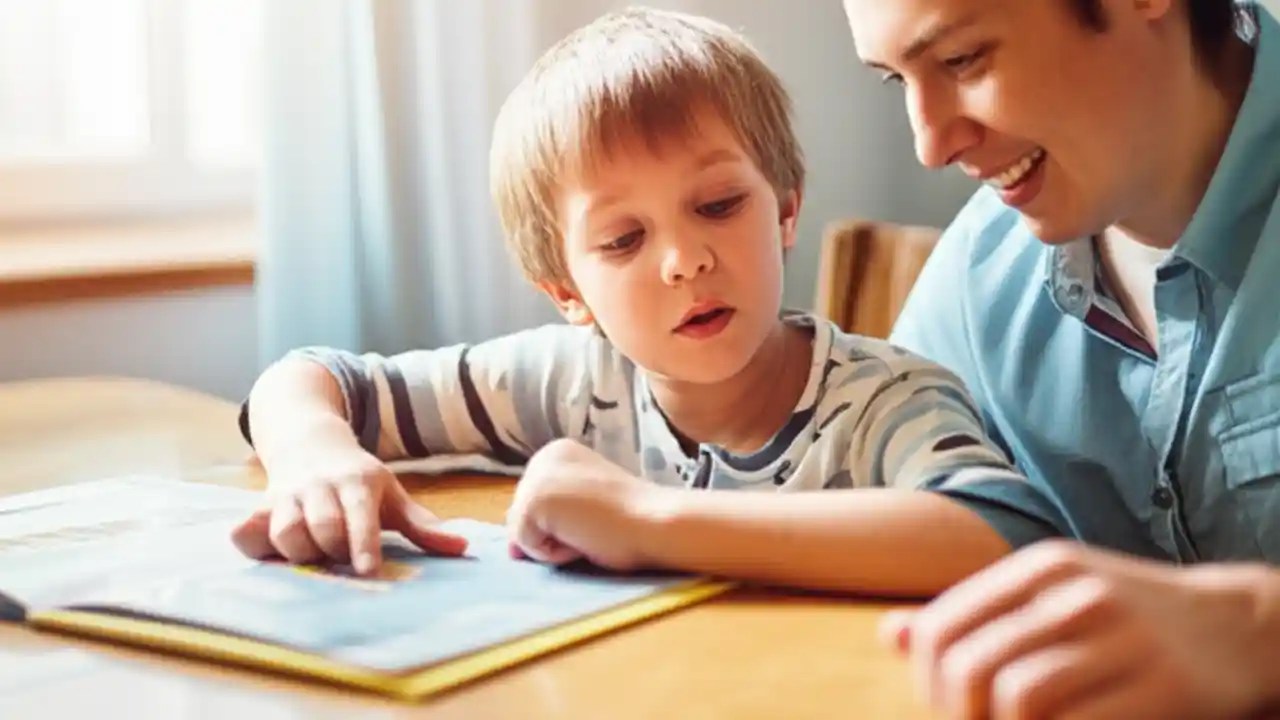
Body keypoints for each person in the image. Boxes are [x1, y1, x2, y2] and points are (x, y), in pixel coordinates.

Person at [228, 7, 1031, 598]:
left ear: (786, 209)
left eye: (719, 205)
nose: (686, 261)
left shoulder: (882, 402)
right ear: (567, 291)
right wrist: (315, 456)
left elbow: (1005, 537)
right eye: (622, 242)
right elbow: (311, 379)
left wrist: (648, 520)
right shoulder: (571, 381)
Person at [840, 0, 1280, 716]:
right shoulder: (973, 287)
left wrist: (1258, 632)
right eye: (897, 80)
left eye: (961, 61)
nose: (930, 144)